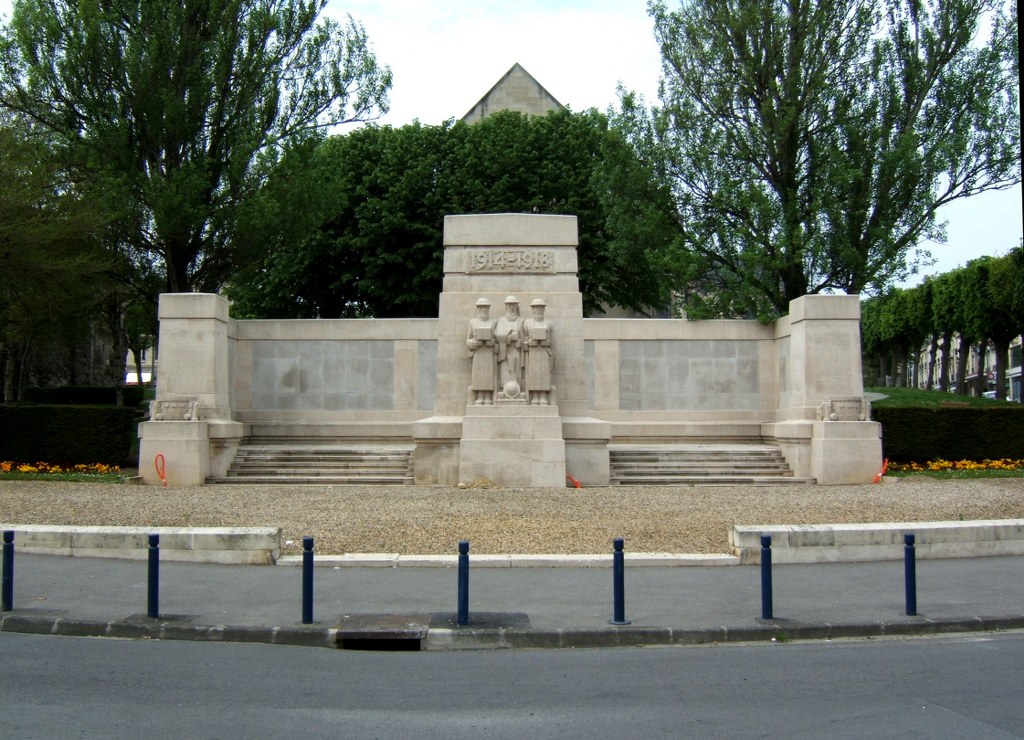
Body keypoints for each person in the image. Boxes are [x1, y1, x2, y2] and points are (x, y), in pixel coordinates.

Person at [466, 298, 496, 405]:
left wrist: (491, 342)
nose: (484, 309)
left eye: (486, 307)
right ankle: (479, 396)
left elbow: (497, 340)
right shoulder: (473, 322)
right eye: (481, 307)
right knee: (478, 375)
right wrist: (472, 343)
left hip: (488, 353)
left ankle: (488, 397)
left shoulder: (493, 322)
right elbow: (468, 339)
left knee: (488, 374)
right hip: (478, 353)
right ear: (478, 308)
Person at [523, 298, 553, 405]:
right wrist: (530, 343)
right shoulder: (527, 323)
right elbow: (525, 339)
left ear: (544, 309)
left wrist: (543, 342)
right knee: (534, 374)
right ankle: (535, 396)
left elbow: (550, 341)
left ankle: (543, 396)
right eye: (536, 308)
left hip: (544, 352)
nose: (538, 310)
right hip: (533, 353)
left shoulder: (548, 323)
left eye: (540, 307)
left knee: (544, 374)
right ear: (532, 309)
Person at [494, 296, 524, 392]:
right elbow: (497, 335)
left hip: (517, 351)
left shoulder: (521, 321)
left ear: (516, 306)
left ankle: (517, 391)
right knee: (505, 374)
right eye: (509, 305)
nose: (511, 307)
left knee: (516, 374)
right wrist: (510, 338)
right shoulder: (500, 321)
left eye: (513, 305)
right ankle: (505, 391)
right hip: (505, 352)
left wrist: (521, 342)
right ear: (506, 306)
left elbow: (525, 337)